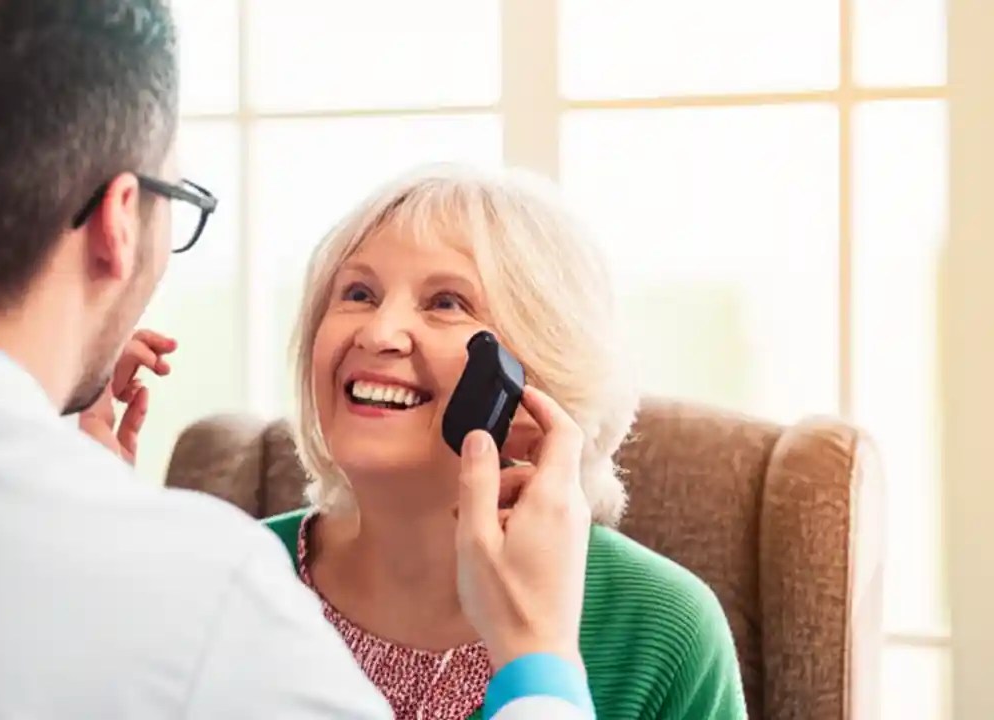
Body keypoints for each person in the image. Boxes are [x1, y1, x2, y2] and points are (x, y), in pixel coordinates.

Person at [0, 2, 596, 718]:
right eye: (175, 201)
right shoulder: (213, 598)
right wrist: (541, 661)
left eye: (445, 301)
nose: (380, 331)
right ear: (121, 220)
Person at [262, 163, 749, 719]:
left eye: (446, 303)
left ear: (535, 377)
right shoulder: (227, 580)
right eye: (358, 293)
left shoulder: (664, 626)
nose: (378, 333)